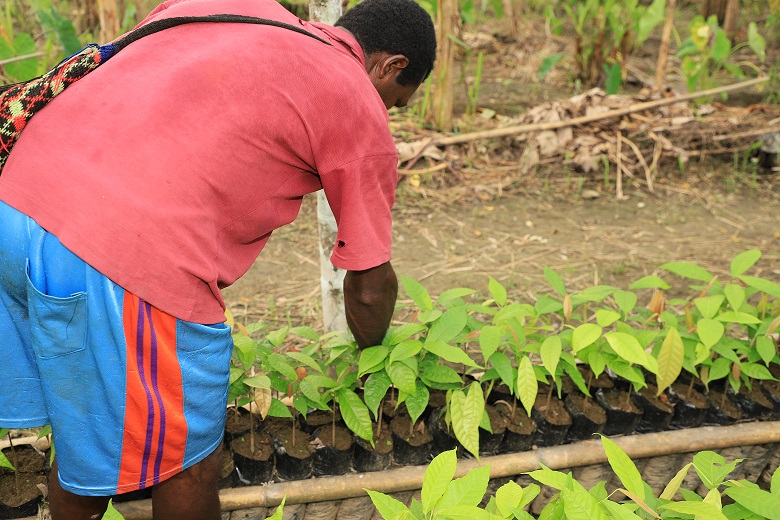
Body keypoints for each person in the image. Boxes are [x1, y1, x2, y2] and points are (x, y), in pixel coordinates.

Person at [0, 0, 436, 517]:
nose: (385, 110)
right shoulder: (354, 99)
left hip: (18, 201)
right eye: (396, 101)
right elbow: (368, 282)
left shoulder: (232, 7)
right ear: (392, 67)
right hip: (118, 248)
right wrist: (376, 360)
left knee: (88, 422)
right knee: (186, 458)